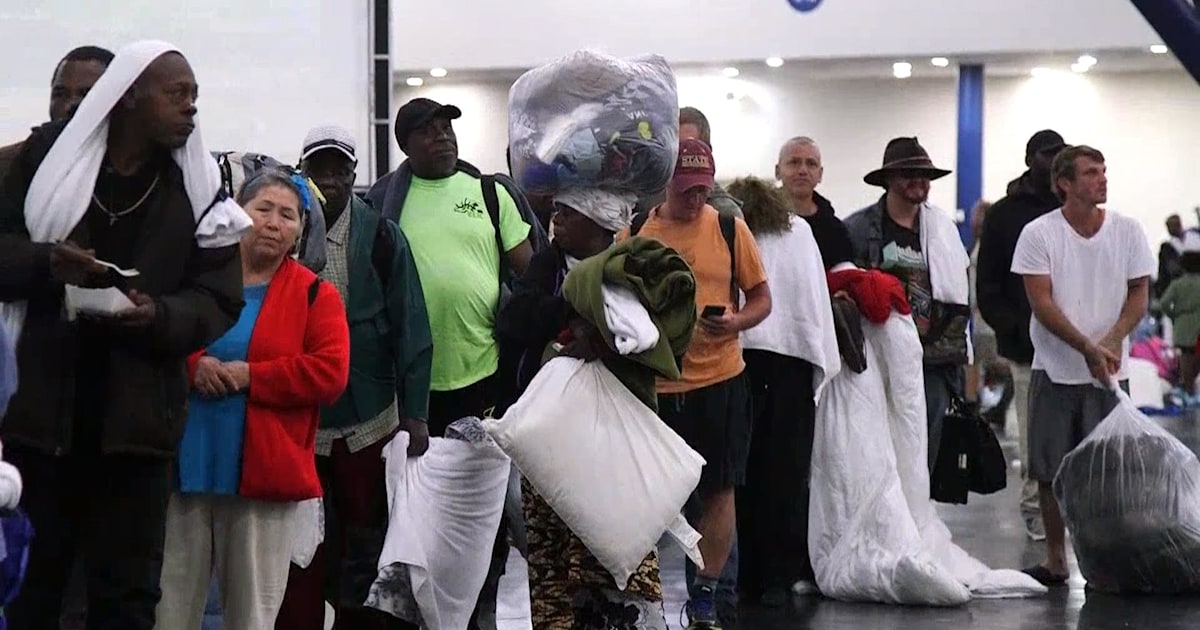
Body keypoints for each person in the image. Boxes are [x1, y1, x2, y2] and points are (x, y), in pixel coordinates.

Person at [0, 40, 251, 629]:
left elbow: (220, 297)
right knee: (35, 590)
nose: (192, 108)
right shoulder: (39, 161)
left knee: (128, 600)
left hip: (139, 428)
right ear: (129, 96)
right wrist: (46, 264)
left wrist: (159, 316)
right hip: (42, 422)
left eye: (193, 95)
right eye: (177, 94)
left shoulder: (193, 184)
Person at [366, 99, 535, 629]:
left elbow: (530, 276)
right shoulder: (383, 203)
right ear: (405, 145)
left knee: (483, 511)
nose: (443, 137)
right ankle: (423, 610)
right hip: (409, 388)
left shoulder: (490, 193)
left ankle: (478, 609)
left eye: (447, 128)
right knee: (416, 511)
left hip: (482, 378)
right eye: (429, 130)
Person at [156, 170, 351, 629]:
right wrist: (192, 366)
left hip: (264, 480)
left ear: (300, 230)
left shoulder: (314, 294)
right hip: (180, 473)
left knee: (252, 618)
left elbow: (330, 373)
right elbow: (155, 336)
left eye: (288, 215)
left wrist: (251, 377)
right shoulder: (192, 281)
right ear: (238, 214)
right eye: (263, 209)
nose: (273, 223)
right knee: (167, 614)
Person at [275, 126, 433, 630]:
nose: (330, 180)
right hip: (302, 425)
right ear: (303, 176)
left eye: (339, 169)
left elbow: (411, 326)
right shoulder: (285, 234)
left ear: (354, 175)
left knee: (371, 540)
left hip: (370, 422)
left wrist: (416, 415)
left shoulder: (383, 237)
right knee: (306, 542)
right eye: (318, 170)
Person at [497, 188, 674, 629]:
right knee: (552, 554)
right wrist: (570, 312)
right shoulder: (549, 265)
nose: (556, 221)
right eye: (556, 211)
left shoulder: (633, 268)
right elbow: (514, 319)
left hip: (613, 438)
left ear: (598, 225)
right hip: (555, 440)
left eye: (568, 214)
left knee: (616, 549)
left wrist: (600, 340)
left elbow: (657, 343)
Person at [621, 138, 772, 630]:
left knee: (719, 489)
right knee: (647, 494)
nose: (696, 199)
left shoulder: (730, 228)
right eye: (687, 190)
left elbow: (762, 298)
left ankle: (705, 593)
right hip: (657, 383)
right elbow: (613, 297)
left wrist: (737, 321)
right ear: (666, 183)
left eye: (703, 189)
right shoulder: (639, 230)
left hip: (720, 378)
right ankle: (640, 595)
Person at [1011, 145, 1154, 586]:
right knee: (1050, 470)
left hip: (1110, 372)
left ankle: (1105, 560)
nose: (1103, 179)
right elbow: (1042, 303)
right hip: (1055, 369)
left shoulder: (1128, 231)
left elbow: (1138, 295)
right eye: (1091, 173)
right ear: (1064, 184)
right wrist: (1085, 347)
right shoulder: (1039, 234)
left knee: (1110, 471)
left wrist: (1110, 342)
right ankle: (1056, 558)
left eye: (1104, 171)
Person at [725, 177, 839, 606]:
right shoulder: (796, 231)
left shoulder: (728, 225)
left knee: (741, 472)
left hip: (738, 357)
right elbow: (809, 303)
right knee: (785, 472)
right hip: (789, 361)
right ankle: (778, 574)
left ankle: (744, 574)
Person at [845, 137, 971, 473]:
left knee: (923, 454)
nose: (919, 180)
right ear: (888, 179)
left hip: (933, 362)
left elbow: (959, 294)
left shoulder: (942, 229)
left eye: (924, 174)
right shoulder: (858, 230)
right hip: (879, 359)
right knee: (876, 453)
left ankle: (918, 521)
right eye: (908, 173)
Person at [976, 129, 1068, 542]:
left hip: (1076, 347)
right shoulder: (1005, 215)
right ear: (1031, 158)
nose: (1054, 161)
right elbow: (989, 284)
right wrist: (1013, 327)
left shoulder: (1073, 209)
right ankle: (1036, 511)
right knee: (1035, 438)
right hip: (1028, 349)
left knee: (1075, 437)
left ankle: (1072, 510)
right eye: (1048, 154)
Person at [0, 46, 114, 184]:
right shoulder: (13, 164)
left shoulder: (135, 169)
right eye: (60, 95)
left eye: (86, 95)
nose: (68, 106)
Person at [774, 136, 855, 269]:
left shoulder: (835, 230)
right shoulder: (757, 222)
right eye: (794, 162)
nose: (803, 171)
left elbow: (843, 276)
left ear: (820, 174)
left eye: (811, 164)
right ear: (777, 171)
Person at [1159, 248, 1200, 395]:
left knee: (1186, 360)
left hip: (1182, 327)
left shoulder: (1177, 284)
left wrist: (1174, 315)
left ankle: (1189, 391)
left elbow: (1164, 302)